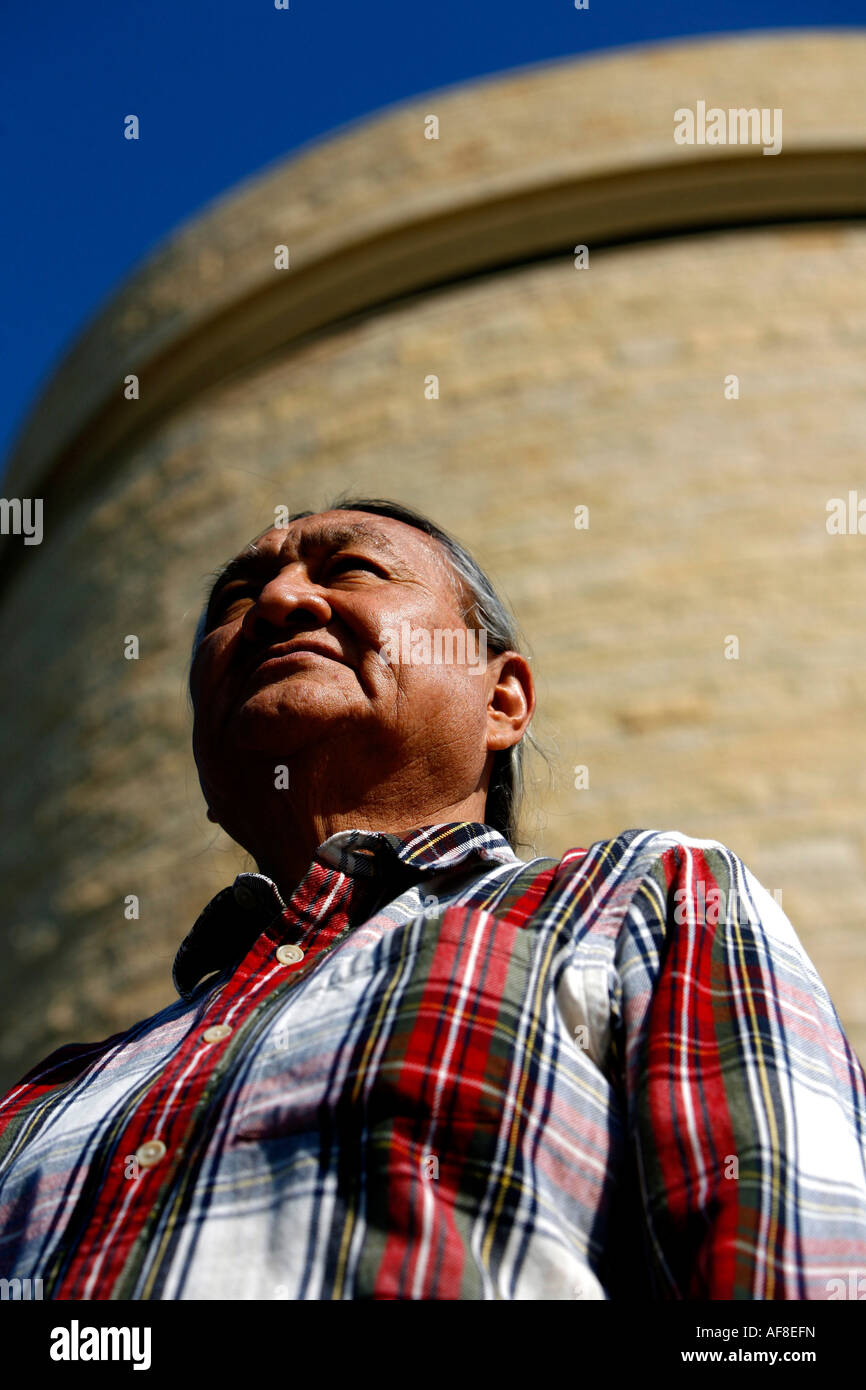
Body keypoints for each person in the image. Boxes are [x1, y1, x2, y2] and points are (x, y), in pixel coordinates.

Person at [0, 496, 864, 1300]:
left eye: (352, 571)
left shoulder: (646, 899)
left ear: (502, 697)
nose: (278, 604)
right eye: (236, 594)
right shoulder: (38, 1099)